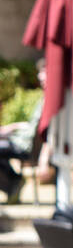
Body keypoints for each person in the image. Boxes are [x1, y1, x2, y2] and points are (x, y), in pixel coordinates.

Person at [0, 59, 51, 202]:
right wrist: (13, 127)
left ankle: (13, 183)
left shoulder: (51, 101)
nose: (40, 76)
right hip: (20, 140)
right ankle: (14, 182)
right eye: (40, 72)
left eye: (44, 72)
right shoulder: (44, 97)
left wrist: (44, 158)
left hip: (25, 145)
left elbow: (48, 131)